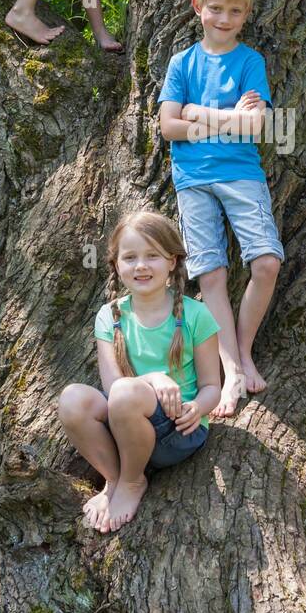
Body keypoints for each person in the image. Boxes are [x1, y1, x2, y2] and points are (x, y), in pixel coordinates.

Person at [158, 0, 284, 417]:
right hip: (193, 180)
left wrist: (200, 114)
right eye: (216, 9)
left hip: (242, 174)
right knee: (210, 273)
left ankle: (243, 351)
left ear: (246, 13)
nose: (224, 19)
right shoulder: (183, 63)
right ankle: (231, 368)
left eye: (234, 11)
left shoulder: (250, 61)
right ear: (198, 7)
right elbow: (168, 127)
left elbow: (255, 128)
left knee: (266, 262)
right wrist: (229, 119)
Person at [57, 211, 220, 533]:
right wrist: (153, 378)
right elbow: (113, 385)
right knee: (73, 398)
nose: (141, 266)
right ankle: (115, 479)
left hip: (177, 433)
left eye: (152, 256)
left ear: (172, 261)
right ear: (117, 264)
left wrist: (198, 408)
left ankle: (132, 483)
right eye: (130, 257)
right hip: (125, 427)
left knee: (127, 393)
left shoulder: (196, 315)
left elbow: (212, 386)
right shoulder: (110, 315)